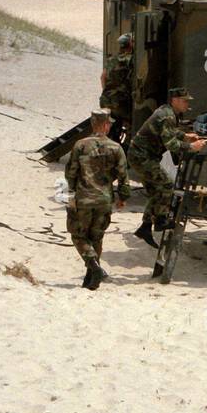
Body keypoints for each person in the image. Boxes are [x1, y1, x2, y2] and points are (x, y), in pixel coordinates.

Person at [127, 87, 204, 247]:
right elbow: (172, 145)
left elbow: (168, 132)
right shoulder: (168, 115)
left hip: (140, 155)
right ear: (174, 101)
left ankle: (146, 227)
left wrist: (184, 135)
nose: (187, 105)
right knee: (167, 185)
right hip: (142, 156)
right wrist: (192, 147)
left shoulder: (167, 111)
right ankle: (160, 221)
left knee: (157, 191)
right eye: (184, 101)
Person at [65, 109, 130, 291]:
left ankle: (93, 267)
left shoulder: (80, 145)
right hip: (104, 199)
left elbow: (71, 173)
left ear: (93, 124)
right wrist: (123, 197)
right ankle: (92, 278)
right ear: (107, 125)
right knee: (96, 237)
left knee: (78, 235)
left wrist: (71, 193)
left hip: (83, 198)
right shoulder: (116, 148)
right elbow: (124, 176)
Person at [99, 33, 134, 145]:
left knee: (112, 125)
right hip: (121, 102)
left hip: (105, 100)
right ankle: (124, 150)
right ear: (130, 44)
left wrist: (107, 92)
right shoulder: (131, 59)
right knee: (132, 125)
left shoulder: (111, 60)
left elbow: (102, 77)